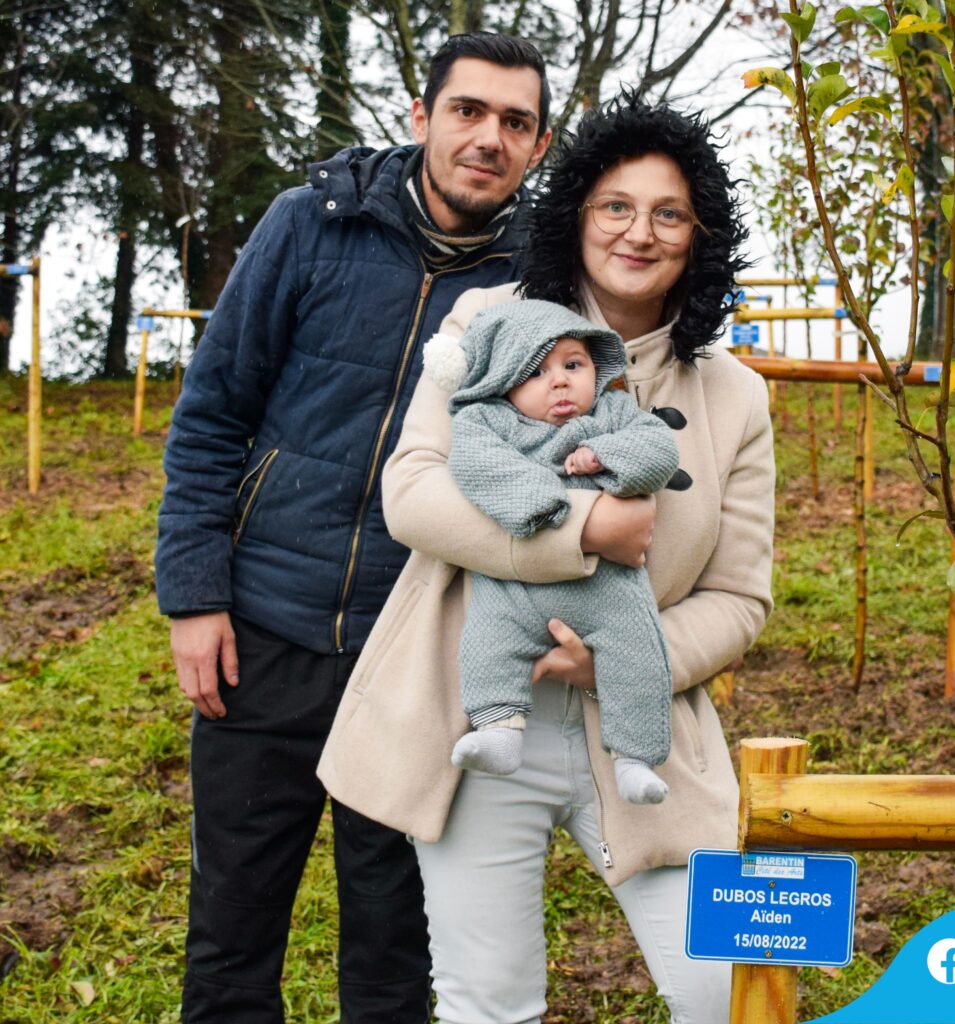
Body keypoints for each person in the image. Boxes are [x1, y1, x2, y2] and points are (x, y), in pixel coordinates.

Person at [318, 95, 773, 1024]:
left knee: (722, 990)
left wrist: (621, 661)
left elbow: (739, 596)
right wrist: (582, 531)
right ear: (576, 213)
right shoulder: (487, 321)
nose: (638, 232)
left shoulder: (734, 394)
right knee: (488, 1003)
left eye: (669, 213)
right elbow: (414, 492)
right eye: (616, 205)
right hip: (484, 711)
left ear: (700, 238)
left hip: (647, 728)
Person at [154, 32, 555, 1023]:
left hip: (419, 655)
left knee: (393, 951)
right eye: (467, 110)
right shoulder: (307, 225)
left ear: (539, 147)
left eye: (515, 122)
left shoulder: (543, 285)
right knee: (231, 934)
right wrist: (195, 595)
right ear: (422, 117)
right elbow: (212, 414)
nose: (488, 137)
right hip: (263, 636)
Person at [425, 300, 679, 804]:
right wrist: (545, 501)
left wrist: (606, 454)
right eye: (536, 371)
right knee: (487, 640)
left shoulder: (613, 413)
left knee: (638, 650)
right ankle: (498, 730)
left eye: (573, 364)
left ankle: (635, 758)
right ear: (504, 380)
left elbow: (660, 450)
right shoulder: (487, 420)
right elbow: (476, 465)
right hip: (514, 587)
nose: (560, 381)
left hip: (608, 586)